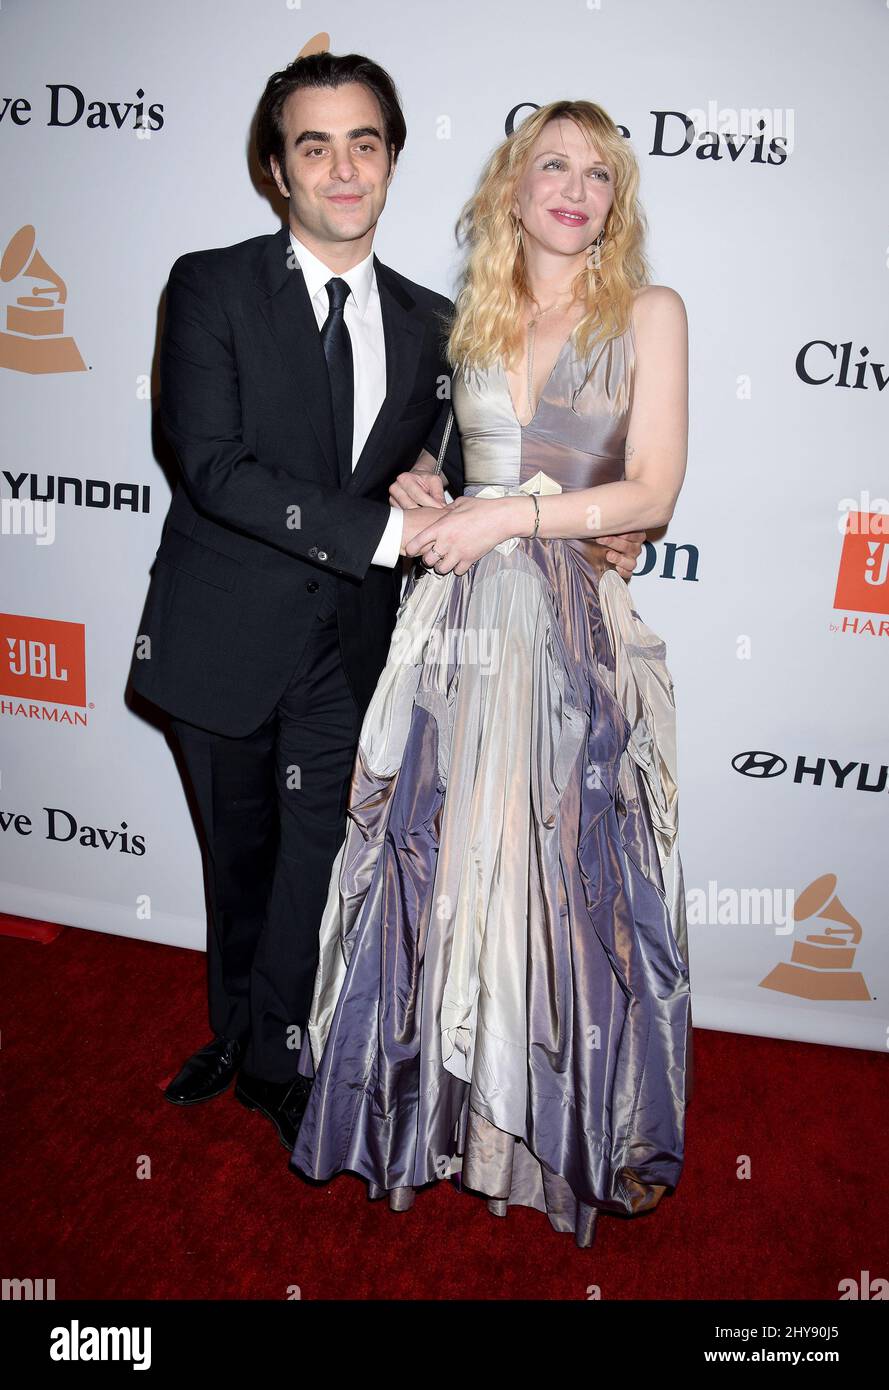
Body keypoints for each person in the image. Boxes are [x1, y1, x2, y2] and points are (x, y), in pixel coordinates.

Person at [128, 54, 646, 1154]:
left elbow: (457, 462)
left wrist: (591, 515)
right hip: (222, 634)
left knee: (321, 857)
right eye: (313, 146)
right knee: (239, 857)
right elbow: (209, 463)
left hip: (353, 645)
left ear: (393, 157)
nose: (342, 166)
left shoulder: (435, 321)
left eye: (364, 141)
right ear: (278, 170)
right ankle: (230, 1028)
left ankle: (277, 1054)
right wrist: (392, 525)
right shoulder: (210, 284)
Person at [290, 99, 692, 1248]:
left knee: (571, 866)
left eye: (598, 174)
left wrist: (515, 515)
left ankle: (574, 1124)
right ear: (511, 189)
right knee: (438, 857)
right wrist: (424, 477)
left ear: (616, 202)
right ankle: (436, 1116)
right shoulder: (469, 316)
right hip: (457, 627)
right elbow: (445, 452)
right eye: (550, 165)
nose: (573, 187)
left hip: (567, 627)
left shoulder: (649, 313)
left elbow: (650, 491)